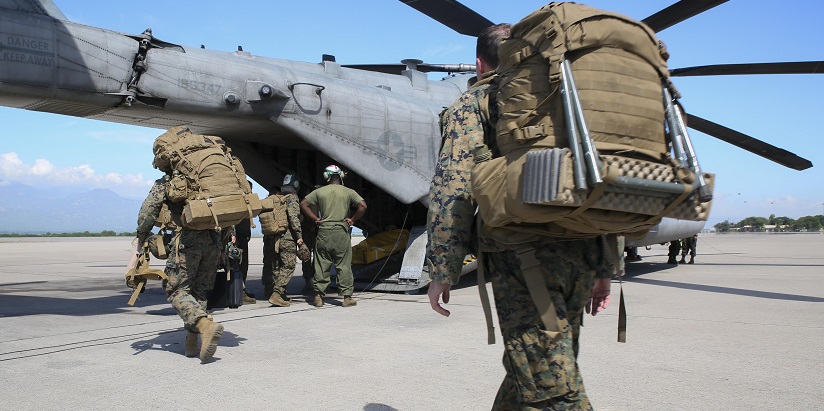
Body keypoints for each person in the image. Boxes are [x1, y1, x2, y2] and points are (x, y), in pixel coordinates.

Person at [426, 23, 615, 410]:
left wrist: (442, 269)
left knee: (550, 387)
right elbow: (605, 179)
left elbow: (453, 189)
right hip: (583, 249)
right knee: (536, 366)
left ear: (480, 64)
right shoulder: (569, 98)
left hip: (523, 257)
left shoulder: (477, 101)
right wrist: (605, 266)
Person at [136, 175, 225, 364]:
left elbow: (149, 210)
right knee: (198, 293)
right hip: (213, 241)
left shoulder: (168, 180)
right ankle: (192, 342)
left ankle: (204, 325)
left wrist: (142, 234)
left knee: (175, 288)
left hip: (186, 240)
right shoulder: (211, 178)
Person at [300, 165, 367, 308]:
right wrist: (353, 220)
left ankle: (318, 296)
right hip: (341, 232)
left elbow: (303, 204)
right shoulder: (349, 192)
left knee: (321, 263)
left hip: (324, 231)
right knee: (343, 264)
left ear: (327, 177)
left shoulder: (319, 192)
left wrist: (315, 218)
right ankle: (347, 297)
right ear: (341, 176)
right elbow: (363, 206)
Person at [265, 173, 305, 307]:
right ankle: (277, 294)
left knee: (277, 266)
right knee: (288, 266)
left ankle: (280, 294)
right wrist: (299, 236)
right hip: (288, 239)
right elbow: (294, 218)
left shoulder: (278, 198)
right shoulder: (292, 198)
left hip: (275, 238)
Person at [233, 180, 255, 305]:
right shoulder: (238, 202)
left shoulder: (246, 201)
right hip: (237, 239)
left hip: (243, 237)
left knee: (244, 265)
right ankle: (239, 292)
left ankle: (242, 290)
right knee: (239, 265)